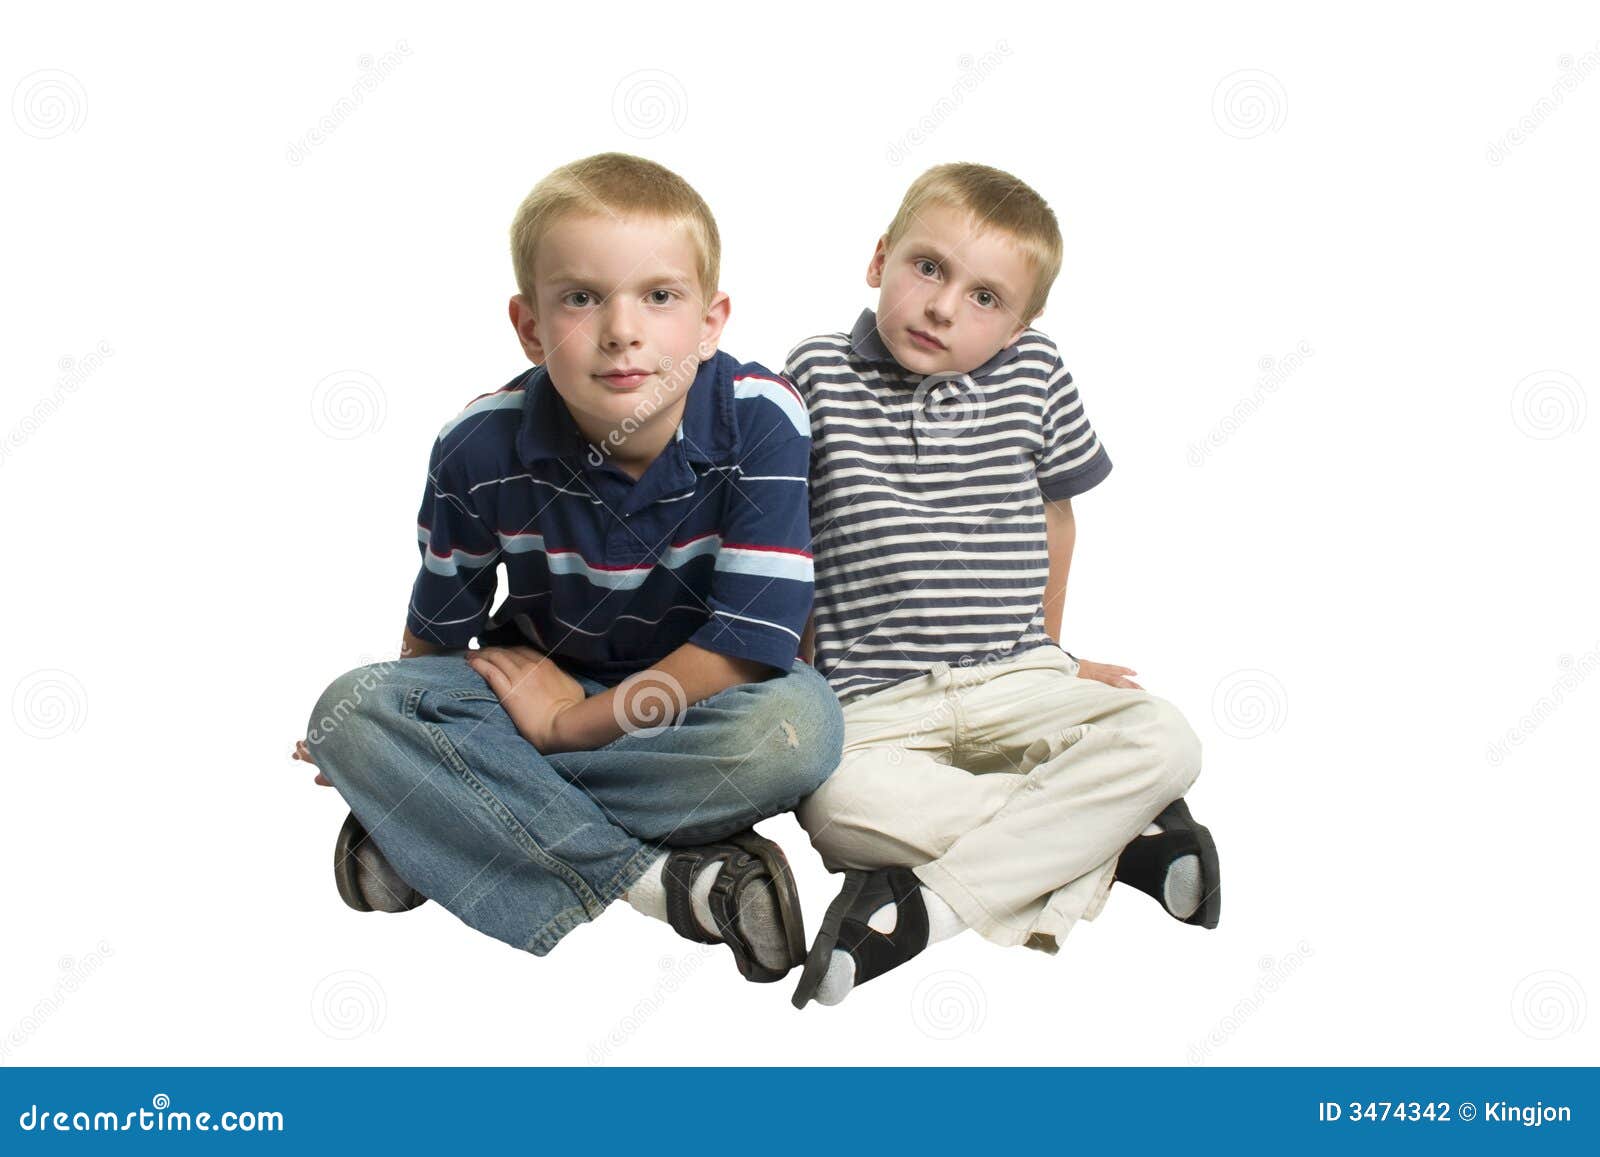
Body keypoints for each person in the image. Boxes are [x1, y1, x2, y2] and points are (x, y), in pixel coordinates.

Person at [295, 153, 842, 983]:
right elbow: (436, 634)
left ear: (711, 321)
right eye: (582, 298)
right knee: (353, 705)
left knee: (800, 729)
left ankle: (448, 827)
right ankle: (672, 882)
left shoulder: (763, 415)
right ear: (529, 326)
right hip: (534, 689)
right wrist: (389, 728)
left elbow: (748, 641)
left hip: (698, 702)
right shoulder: (479, 444)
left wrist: (555, 733)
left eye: (660, 297)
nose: (623, 330)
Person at [784, 162, 1221, 1008]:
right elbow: (790, 536)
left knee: (1167, 740)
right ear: (880, 259)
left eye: (986, 297)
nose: (945, 306)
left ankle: (926, 910)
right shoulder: (814, 371)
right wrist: (791, 672)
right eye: (928, 268)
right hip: (876, 701)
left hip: (1016, 675)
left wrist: (1054, 655)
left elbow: (1057, 516)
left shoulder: (1037, 375)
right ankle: (1118, 843)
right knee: (835, 809)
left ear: (1023, 325)